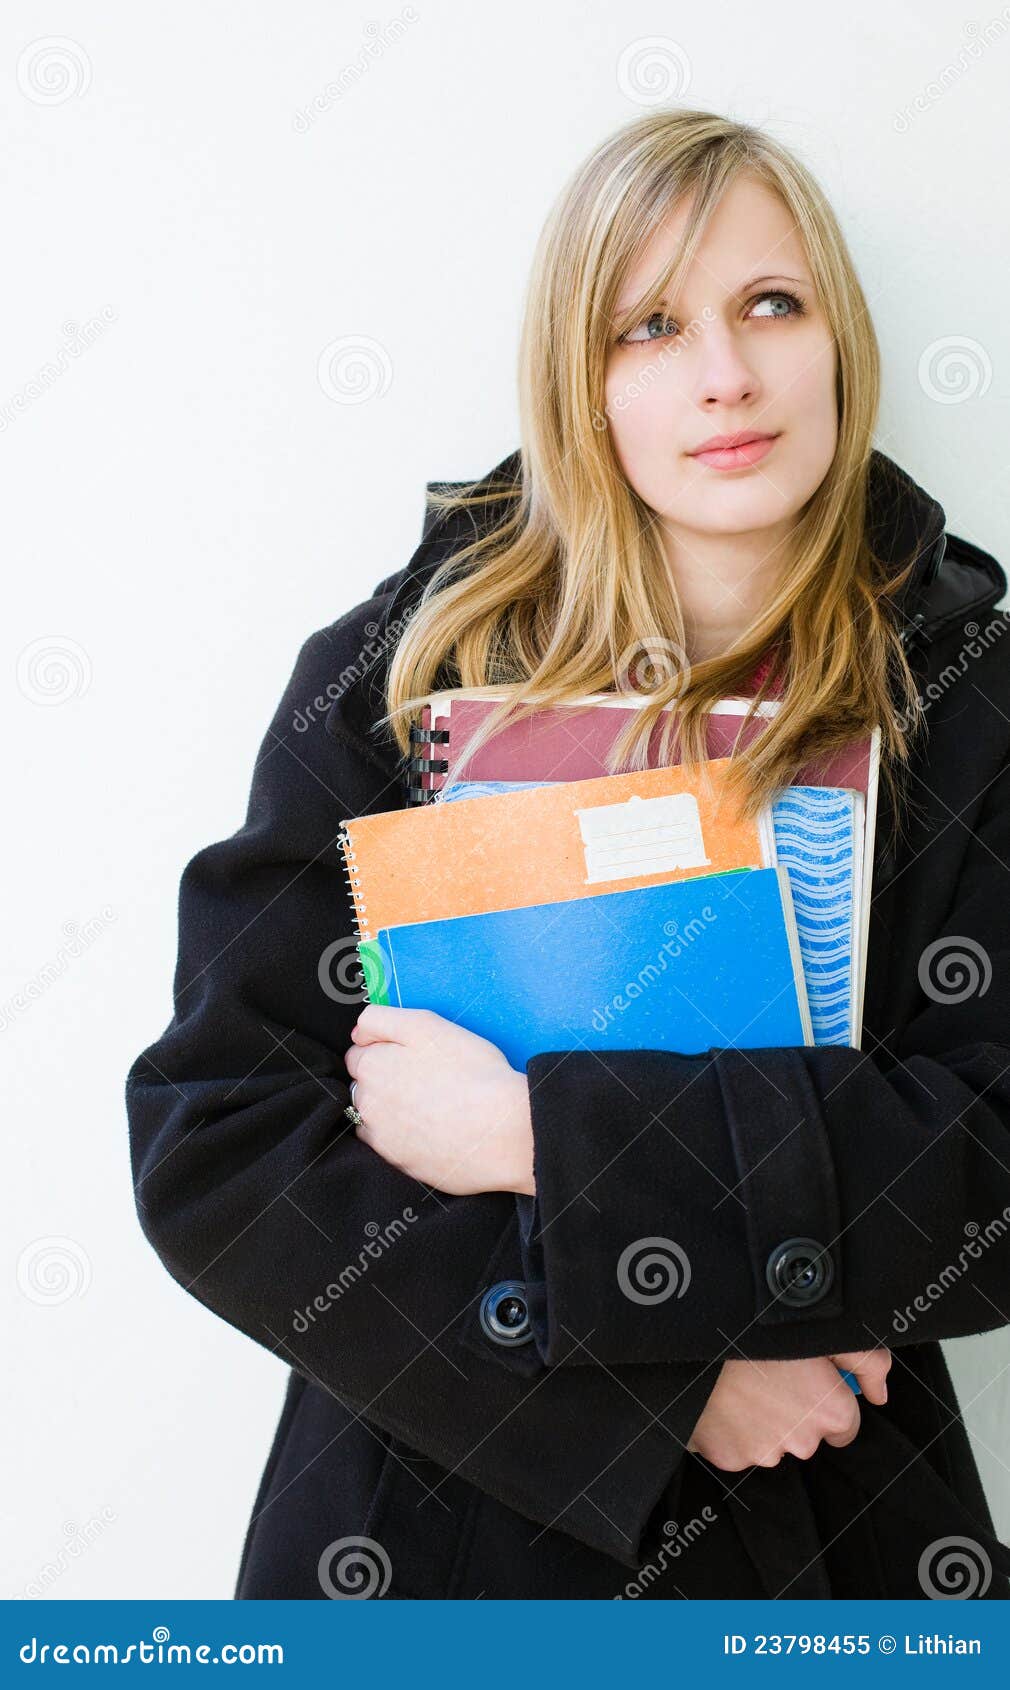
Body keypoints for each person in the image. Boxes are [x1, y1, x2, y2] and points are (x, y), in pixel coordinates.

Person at [126, 107, 1010, 1600]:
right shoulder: (394, 678)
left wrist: (535, 1132)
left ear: (838, 340)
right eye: (647, 326)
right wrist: (653, 1390)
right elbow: (221, 1149)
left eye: (768, 305)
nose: (723, 373)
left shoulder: (964, 691)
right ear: (574, 379)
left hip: (829, 1522)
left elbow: (986, 1157)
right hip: (431, 1534)